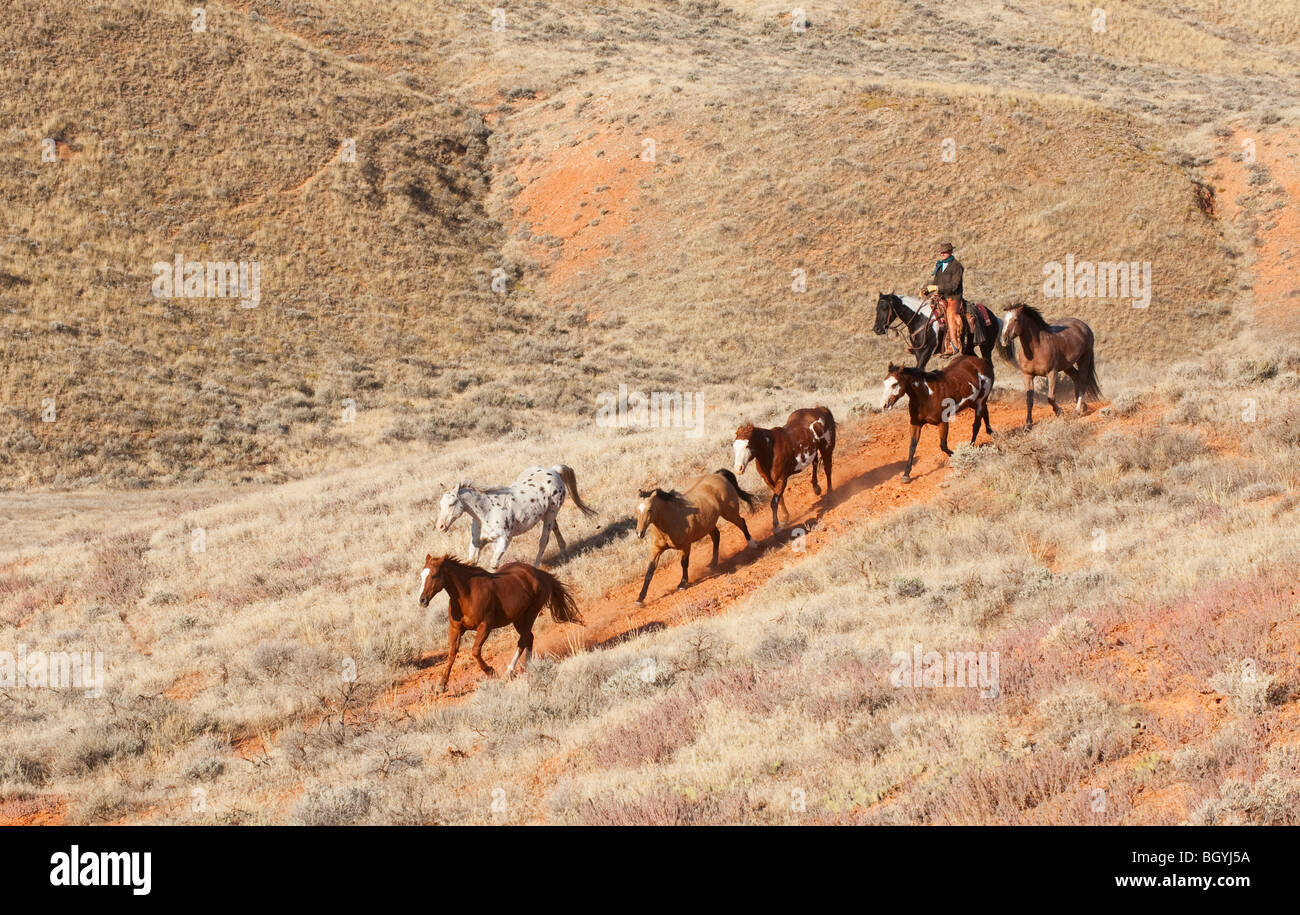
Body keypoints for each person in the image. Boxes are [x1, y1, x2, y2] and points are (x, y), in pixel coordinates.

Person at [921, 242, 965, 356]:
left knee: (950, 315)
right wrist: (927, 290)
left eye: (945, 252)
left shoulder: (957, 266)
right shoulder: (940, 266)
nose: (943, 254)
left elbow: (954, 286)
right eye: (942, 252)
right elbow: (935, 283)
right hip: (940, 297)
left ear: (951, 252)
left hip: (953, 298)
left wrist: (936, 287)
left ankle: (954, 345)